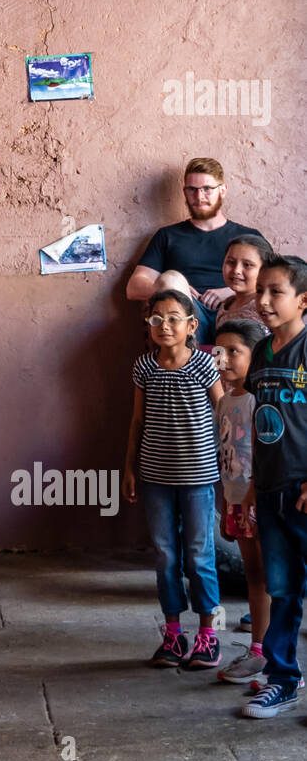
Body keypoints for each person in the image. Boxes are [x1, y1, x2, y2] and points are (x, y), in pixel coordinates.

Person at [123, 289, 224, 668]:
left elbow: (221, 412)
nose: (164, 326)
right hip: (154, 478)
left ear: (190, 325)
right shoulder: (144, 368)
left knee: (200, 556)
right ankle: (172, 636)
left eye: (173, 319)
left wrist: (232, 468)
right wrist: (129, 468)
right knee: (166, 555)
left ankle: (208, 636)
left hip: (199, 477)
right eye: (156, 319)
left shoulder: (203, 365)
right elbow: (137, 422)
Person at [240, 255, 307, 718]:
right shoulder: (262, 353)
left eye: (275, 291)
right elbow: (258, 423)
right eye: (260, 290)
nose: (262, 300)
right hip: (269, 489)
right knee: (282, 589)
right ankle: (283, 679)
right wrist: (250, 486)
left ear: (303, 300)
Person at [126, 158, 267, 346]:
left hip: (236, 312)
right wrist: (174, 291)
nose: (199, 197)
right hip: (187, 316)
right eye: (192, 190)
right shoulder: (168, 235)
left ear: (222, 190)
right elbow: (133, 288)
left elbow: (272, 283)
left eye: (207, 189)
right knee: (172, 279)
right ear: (185, 192)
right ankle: (191, 359)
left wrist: (230, 293)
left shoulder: (248, 236)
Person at [213, 320, 269, 684]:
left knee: (271, 576)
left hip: (262, 500)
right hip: (236, 503)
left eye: (235, 351)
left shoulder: (258, 400)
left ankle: (270, 651)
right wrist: (226, 506)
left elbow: (266, 452)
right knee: (254, 575)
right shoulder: (225, 401)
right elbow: (224, 458)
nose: (225, 359)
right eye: (219, 351)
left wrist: (251, 497)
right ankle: (258, 649)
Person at [213, 235, 273, 340]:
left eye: (247, 265)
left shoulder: (264, 305)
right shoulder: (226, 304)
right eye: (231, 262)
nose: (236, 270)